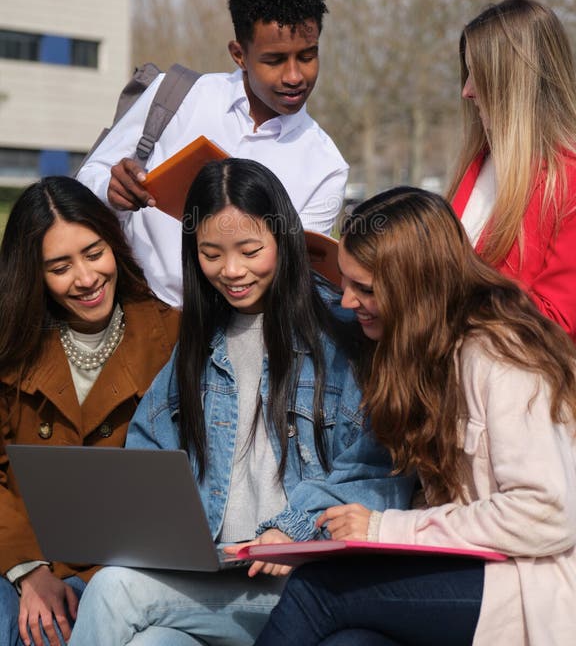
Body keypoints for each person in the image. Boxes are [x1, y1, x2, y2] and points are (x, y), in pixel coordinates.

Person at [67, 159, 414, 646]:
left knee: (113, 588)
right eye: (211, 254)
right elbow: (149, 454)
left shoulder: (345, 332)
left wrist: (294, 529)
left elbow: (380, 475)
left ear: (285, 241)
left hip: (306, 583)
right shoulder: (198, 342)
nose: (231, 271)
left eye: (250, 250)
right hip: (218, 579)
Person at [253, 186, 576, 646]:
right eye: (345, 282)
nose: (346, 301)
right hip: (470, 573)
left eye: (364, 288)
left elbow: (547, 512)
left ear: (415, 287)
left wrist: (387, 527)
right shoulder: (422, 352)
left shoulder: (501, 356)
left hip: (532, 586)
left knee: (317, 591)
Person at [77, 0, 349, 306]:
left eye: (307, 56)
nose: (295, 76)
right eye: (275, 60)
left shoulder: (327, 165)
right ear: (239, 55)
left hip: (234, 339)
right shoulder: (175, 96)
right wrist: (110, 189)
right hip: (139, 311)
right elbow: (88, 177)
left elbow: (300, 276)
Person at [0, 177, 180, 646]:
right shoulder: (9, 342)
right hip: (19, 557)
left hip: (124, 568)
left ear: (115, 244)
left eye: (94, 253)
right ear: (31, 272)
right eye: (59, 266)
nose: (85, 278)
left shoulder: (173, 335)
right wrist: (29, 571)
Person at [447, 0, 576, 340]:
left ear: (514, 83)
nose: (466, 91)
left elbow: (556, 320)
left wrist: (446, 301)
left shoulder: (568, 181)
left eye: (479, 76)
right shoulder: (479, 163)